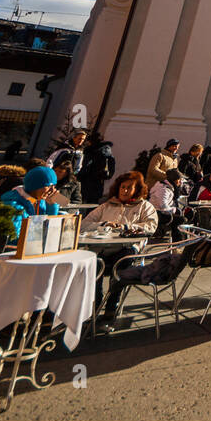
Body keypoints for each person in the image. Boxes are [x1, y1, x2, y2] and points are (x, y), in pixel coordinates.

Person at [82, 172, 159, 329]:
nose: (124, 191)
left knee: (123, 263)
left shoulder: (144, 206)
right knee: (93, 264)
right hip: (102, 248)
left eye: (129, 188)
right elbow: (84, 224)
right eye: (122, 187)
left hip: (126, 248)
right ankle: (96, 302)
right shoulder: (107, 205)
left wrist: (127, 227)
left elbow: (151, 226)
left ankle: (112, 305)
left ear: (136, 190)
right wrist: (103, 224)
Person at [0, 165, 63, 239]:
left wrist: (52, 206)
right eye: (49, 186)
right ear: (35, 186)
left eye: (54, 186)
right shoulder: (14, 205)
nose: (52, 190)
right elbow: (14, 238)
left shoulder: (41, 201)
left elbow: (49, 229)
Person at [148, 167, 186, 241]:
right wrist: (175, 210)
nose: (181, 182)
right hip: (157, 213)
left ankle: (178, 241)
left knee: (182, 217)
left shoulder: (169, 187)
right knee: (180, 220)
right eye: (179, 180)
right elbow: (163, 206)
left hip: (162, 212)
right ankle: (177, 241)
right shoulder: (163, 189)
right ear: (175, 180)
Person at [78, 138, 116, 206]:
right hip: (97, 184)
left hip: (88, 182)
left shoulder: (90, 152)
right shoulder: (108, 154)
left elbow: (84, 167)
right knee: (91, 203)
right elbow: (110, 172)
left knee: (82, 202)